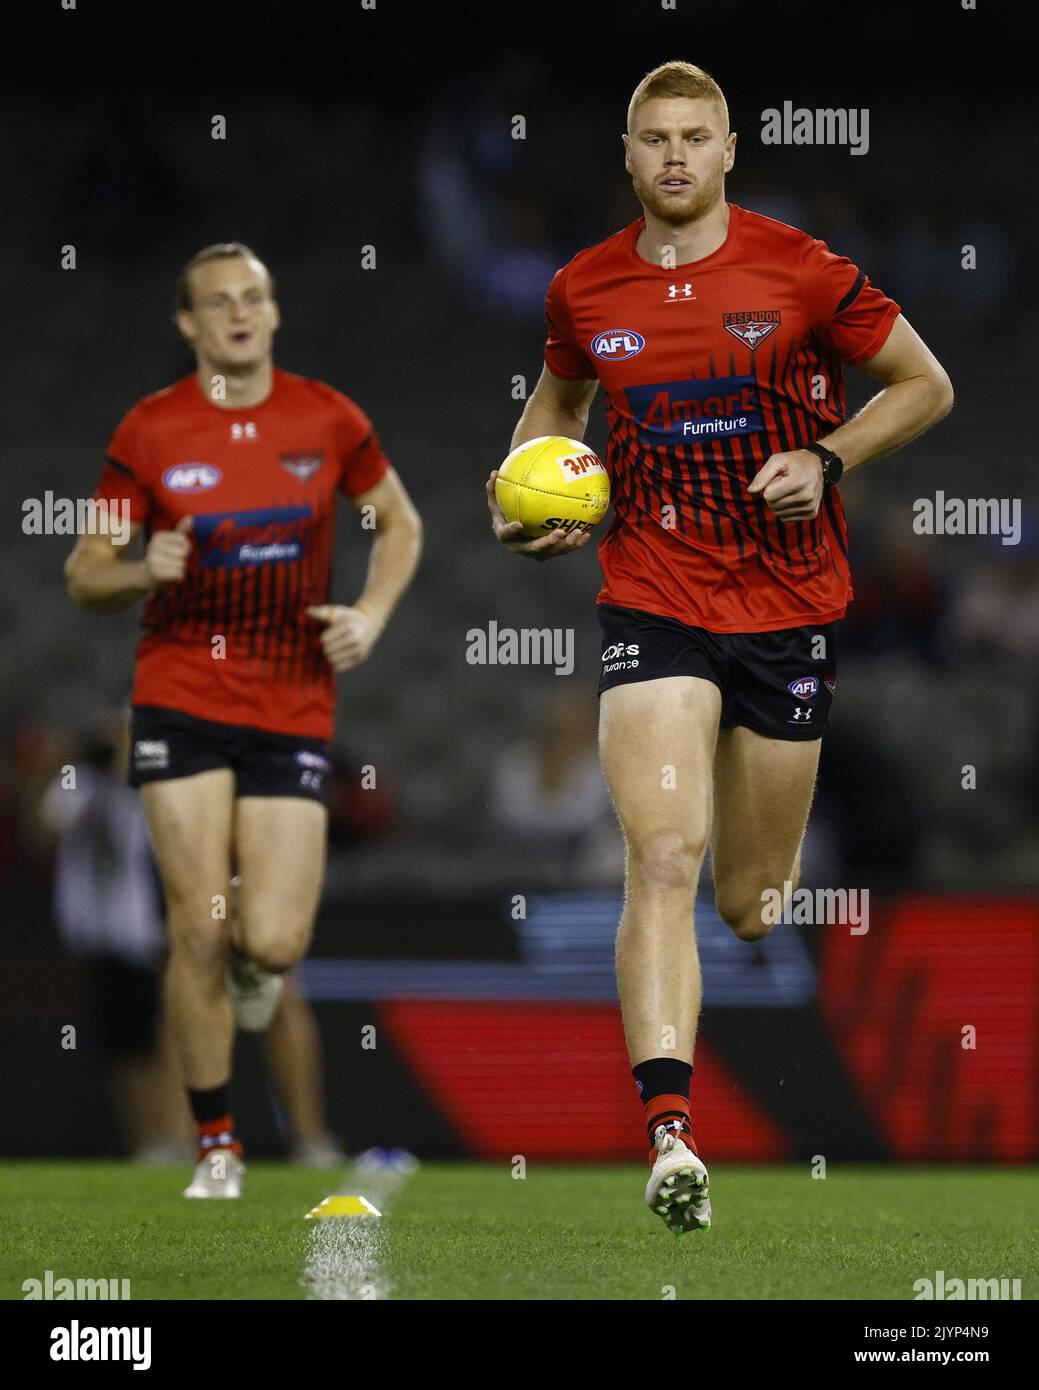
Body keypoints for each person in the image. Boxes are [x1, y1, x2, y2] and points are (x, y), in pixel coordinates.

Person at [486, 61, 953, 1233]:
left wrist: (831, 456)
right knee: (660, 854)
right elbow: (556, 411)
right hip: (651, 596)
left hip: (787, 608)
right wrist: (522, 496)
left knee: (748, 901)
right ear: (631, 157)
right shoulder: (582, 288)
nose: (677, 156)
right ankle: (670, 1136)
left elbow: (924, 384)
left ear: (730, 149)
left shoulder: (800, 269)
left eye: (697, 137)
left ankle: (738, 940)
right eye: (656, 139)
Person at [65, 243, 422, 1198]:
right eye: (216, 301)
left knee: (270, 941)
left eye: (252, 298)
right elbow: (84, 570)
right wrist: (143, 569)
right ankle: (216, 1144)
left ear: (273, 313)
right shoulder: (149, 431)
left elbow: (401, 524)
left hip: (292, 702)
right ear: (187, 323)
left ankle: (258, 987)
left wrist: (370, 615)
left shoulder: (327, 415)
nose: (236, 313)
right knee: (198, 926)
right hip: (179, 695)